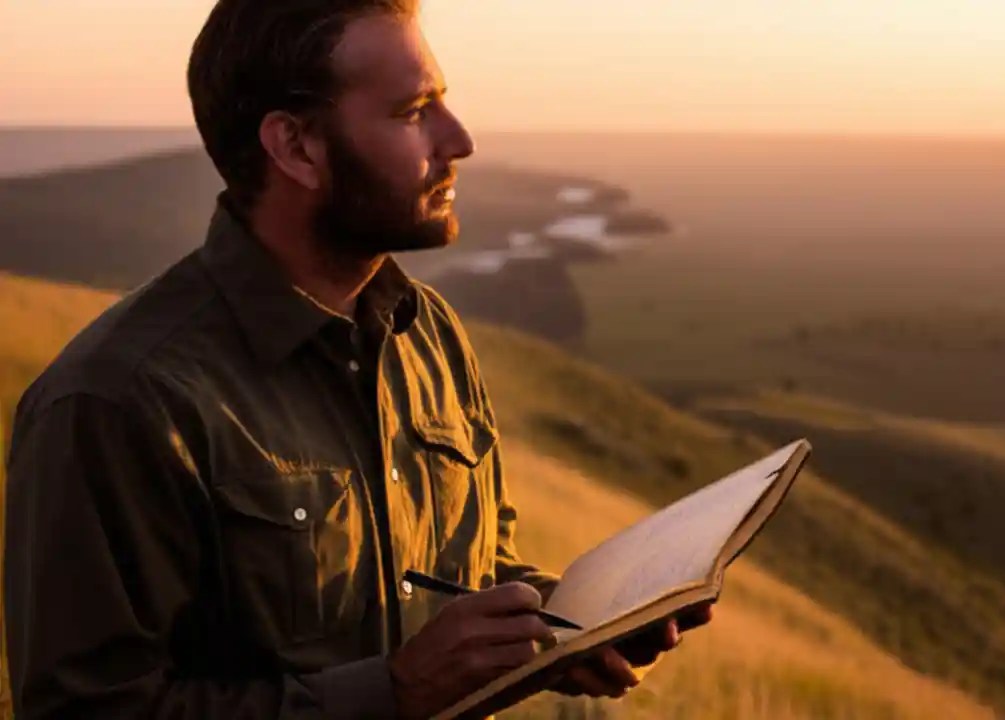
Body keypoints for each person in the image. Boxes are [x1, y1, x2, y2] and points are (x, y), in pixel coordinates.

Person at [2, 1, 711, 717]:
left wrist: (566, 624)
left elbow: (465, 572)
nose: (458, 140)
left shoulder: (427, 333)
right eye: (413, 112)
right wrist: (395, 692)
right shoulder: (117, 401)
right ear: (297, 148)